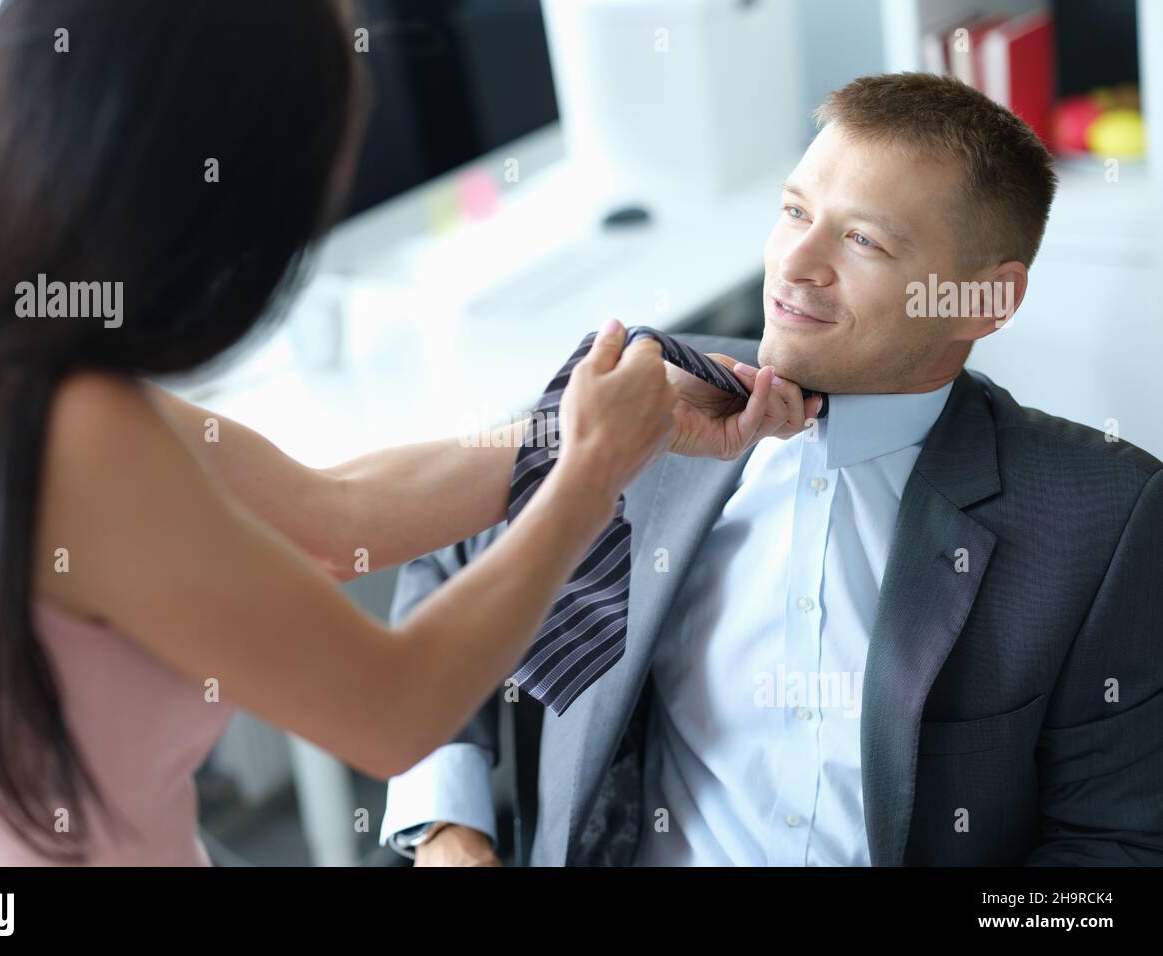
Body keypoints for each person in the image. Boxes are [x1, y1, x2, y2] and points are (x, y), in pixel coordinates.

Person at [0, 0, 816, 865]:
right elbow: (391, 710)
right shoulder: (75, 432)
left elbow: (330, 517)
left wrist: (563, 435)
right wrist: (587, 478)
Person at [380, 72, 1163, 867]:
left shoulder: (1103, 519)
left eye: (863, 240)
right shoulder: (649, 400)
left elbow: (1116, 850)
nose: (795, 263)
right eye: (794, 211)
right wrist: (448, 832)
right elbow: (444, 562)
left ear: (982, 302)